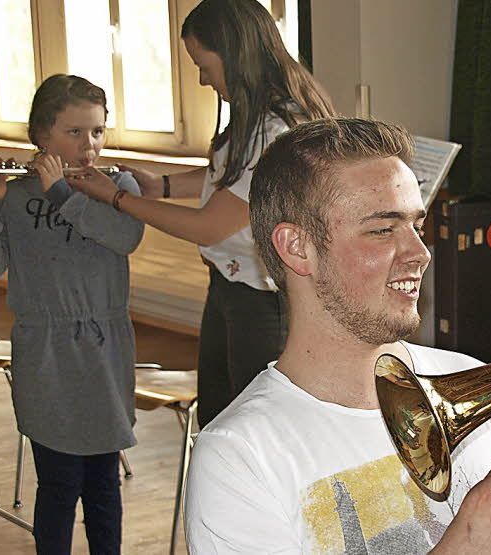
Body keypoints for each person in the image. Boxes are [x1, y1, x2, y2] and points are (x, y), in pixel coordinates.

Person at [184, 117, 491, 554]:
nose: (420, 253)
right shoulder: (237, 458)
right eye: (382, 229)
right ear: (297, 247)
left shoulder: (471, 384)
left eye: (416, 226)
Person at [69, 0, 336, 427]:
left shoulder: (278, 128)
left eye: (204, 65)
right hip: (231, 287)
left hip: (265, 302)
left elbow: (210, 226)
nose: (202, 78)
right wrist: (164, 186)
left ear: (235, 54)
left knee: (252, 430)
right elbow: (230, 178)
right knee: (218, 422)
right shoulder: (257, 117)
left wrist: (117, 199)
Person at [0, 74, 144, 553]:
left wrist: (64, 192)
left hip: (105, 349)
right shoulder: (17, 193)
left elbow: (124, 237)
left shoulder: (116, 184)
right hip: (45, 351)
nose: (90, 145)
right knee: (59, 483)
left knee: (103, 483)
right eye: (74, 132)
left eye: (97, 132)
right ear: (41, 136)